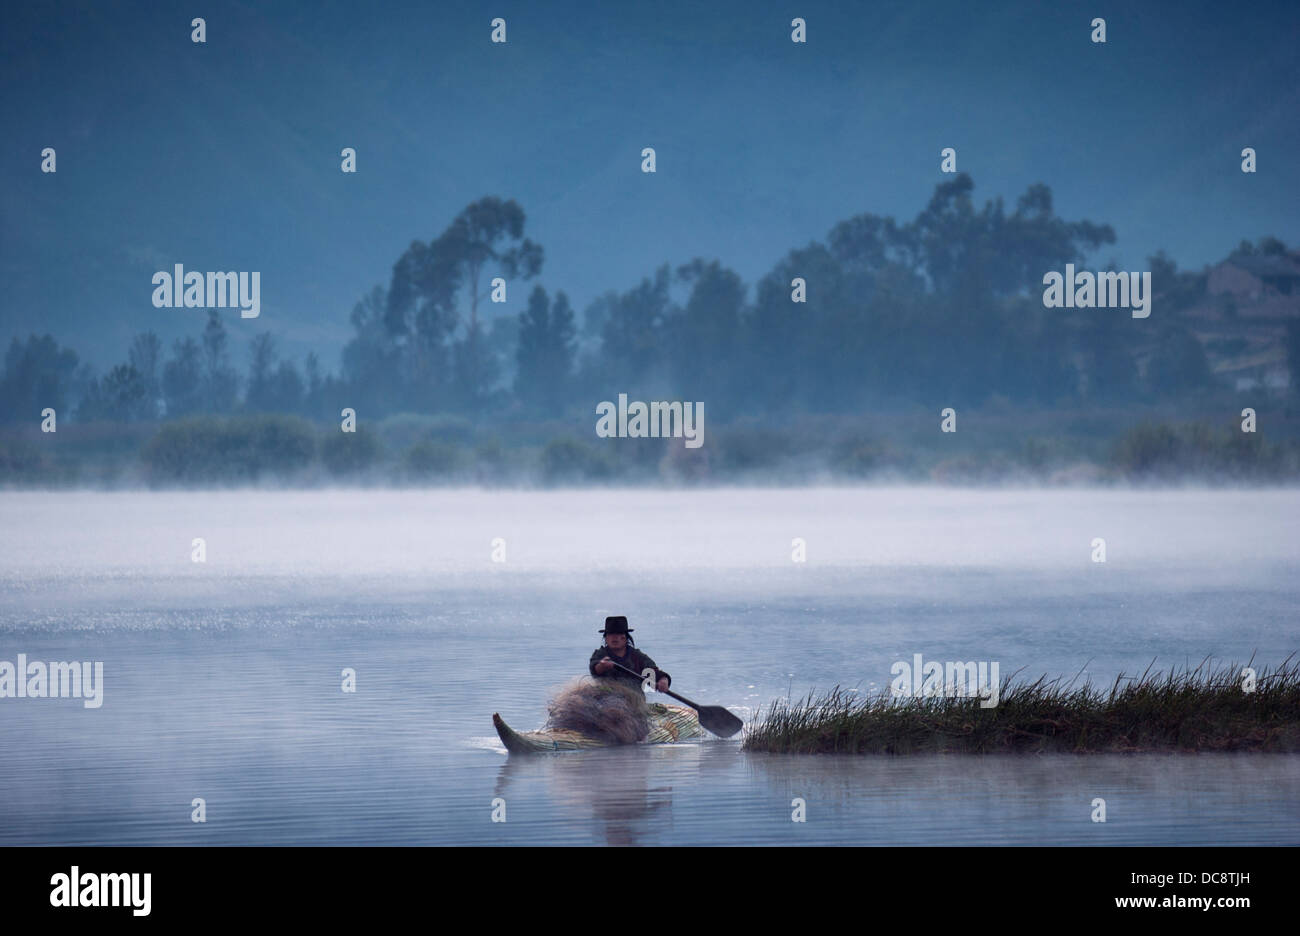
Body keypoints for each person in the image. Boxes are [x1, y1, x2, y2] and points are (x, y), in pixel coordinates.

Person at [589, 616, 670, 693]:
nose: (615, 637)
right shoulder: (600, 654)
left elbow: (654, 672)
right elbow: (595, 668)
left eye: (619, 633)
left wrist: (663, 680)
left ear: (625, 638)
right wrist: (602, 666)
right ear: (606, 638)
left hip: (633, 700)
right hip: (606, 697)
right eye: (610, 634)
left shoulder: (637, 656)